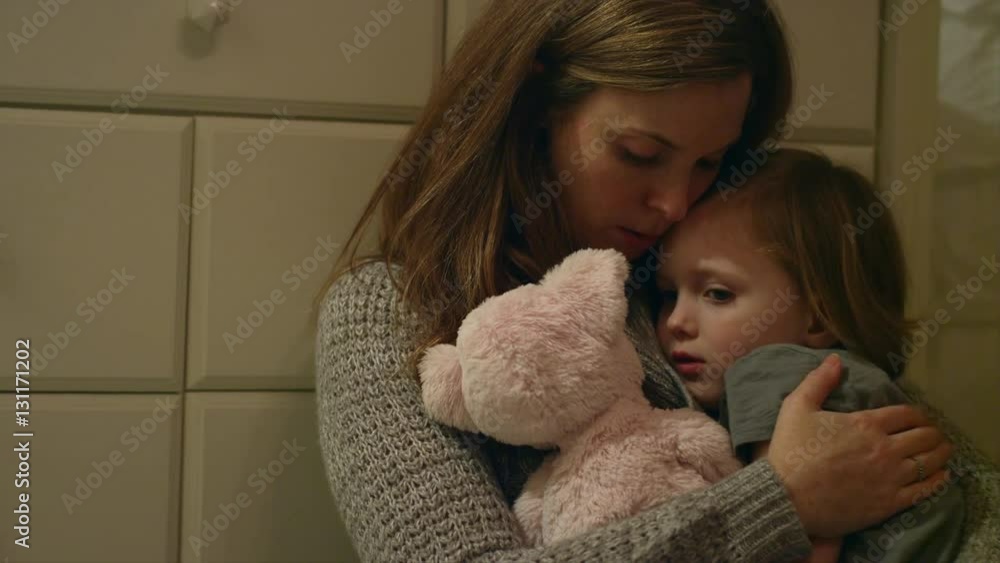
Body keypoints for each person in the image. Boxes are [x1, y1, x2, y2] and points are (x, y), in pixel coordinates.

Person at [313, 1, 987, 561]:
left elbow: (928, 468)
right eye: (640, 154)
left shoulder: (693, 269)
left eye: (708, 163)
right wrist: (780, 500)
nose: (674, 204)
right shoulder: (389, 311)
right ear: (537, 105)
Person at [654, 148, 966, 562]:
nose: (677, 320)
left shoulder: (770, 371)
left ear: (818, 320)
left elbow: (798, 530)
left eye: (717, 294)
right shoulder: (859, 380)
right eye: (666, 294)